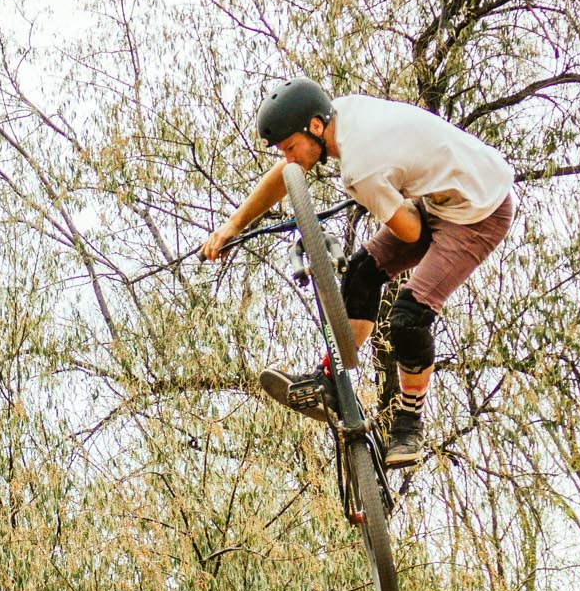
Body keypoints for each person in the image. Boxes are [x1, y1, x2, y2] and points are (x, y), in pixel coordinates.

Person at [201, 78, 516, 468]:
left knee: (408, 319)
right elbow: (286, 174)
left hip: (479, 212)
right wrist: (234, 225)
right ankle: (331, 380)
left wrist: (386, 201)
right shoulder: (342, 111)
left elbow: (413, 235)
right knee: (362, 273)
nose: (290, 158)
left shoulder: (360, 168)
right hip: (446, 193)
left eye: (290, 148)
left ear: (315, 127)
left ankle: (409, 425)